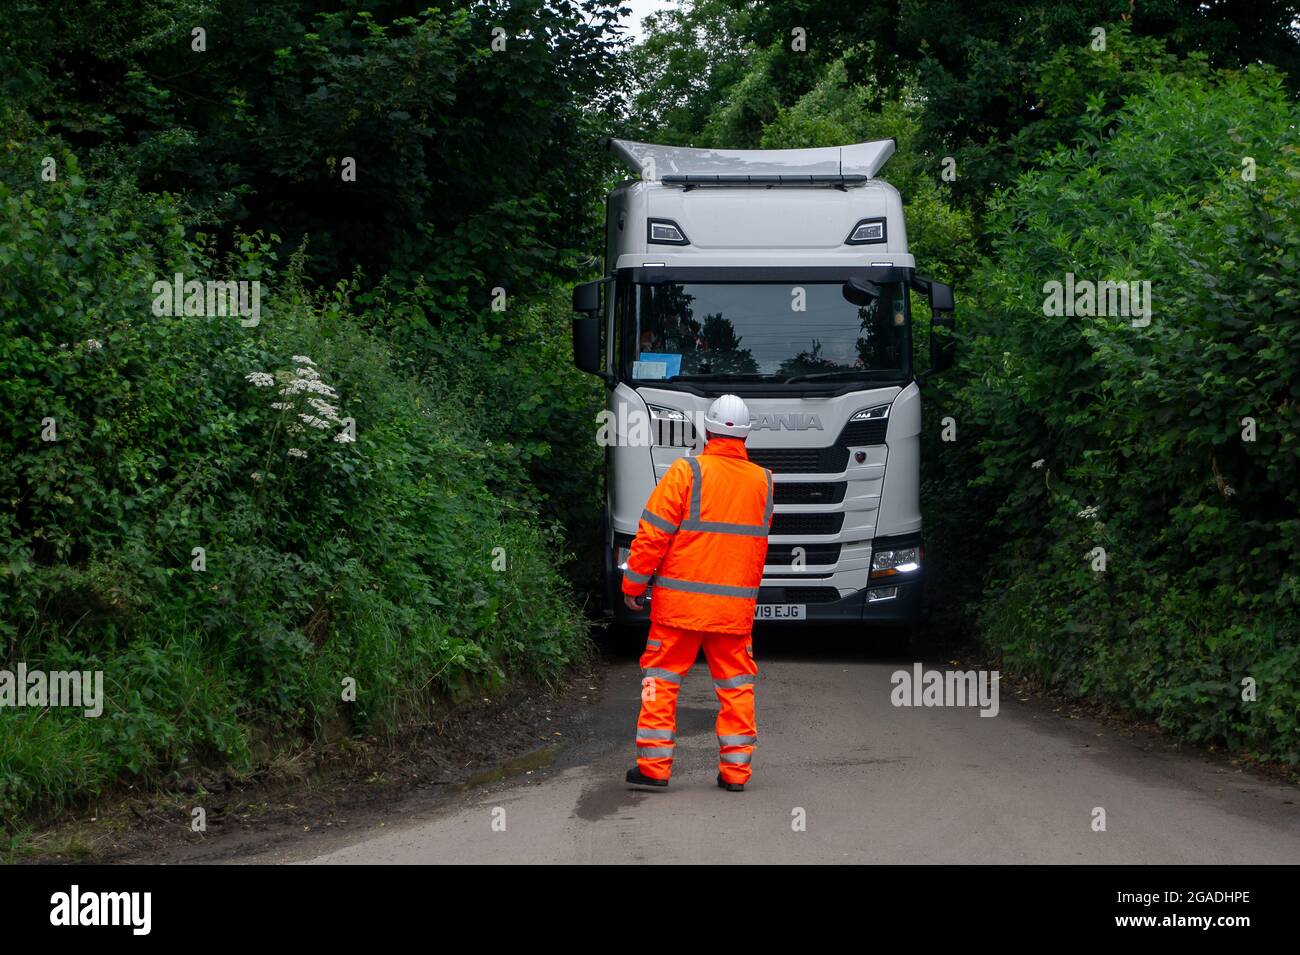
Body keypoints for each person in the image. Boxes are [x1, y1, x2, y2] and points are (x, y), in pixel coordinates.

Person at [621, 394, 773, 792]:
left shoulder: (686, 472)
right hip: (732, 613)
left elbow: (653, 533)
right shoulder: (763, 482)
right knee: (736, 687)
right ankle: (735, 773)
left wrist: (634, 584)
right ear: (745, 436)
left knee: (661, 682)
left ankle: (654, 770)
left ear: (707, 431)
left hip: (679, 611)